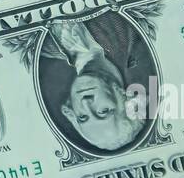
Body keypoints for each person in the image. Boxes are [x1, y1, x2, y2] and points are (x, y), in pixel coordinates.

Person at [50, 18, 148, 153]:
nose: (86, 103)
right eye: (103, 111)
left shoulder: (47, 49)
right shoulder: (130, 30)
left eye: (82, 117)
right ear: (125, 101)